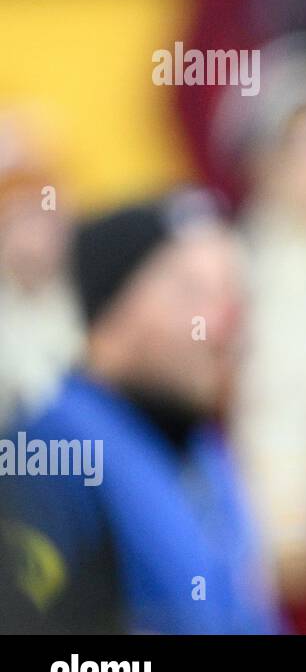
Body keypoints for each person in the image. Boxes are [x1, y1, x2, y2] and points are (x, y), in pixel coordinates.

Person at [0, 189, 283, 633]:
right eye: (193, 292)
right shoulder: (47, 454)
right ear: (112, 310)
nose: (226, 325)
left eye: (231, 293)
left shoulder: (202, 447)